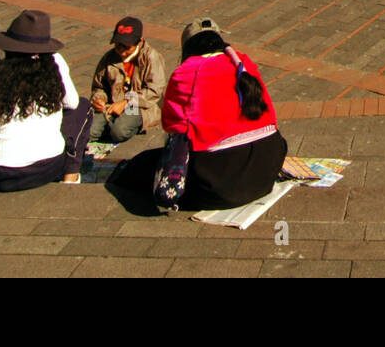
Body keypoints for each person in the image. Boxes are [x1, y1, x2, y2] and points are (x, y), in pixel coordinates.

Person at [116, 18, 286, 211]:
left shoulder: (186, 73)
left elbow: (173, 129)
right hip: (266, 168)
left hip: (219, 186)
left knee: (141, 166)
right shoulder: (243, 64)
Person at [0, 10, 92, 190]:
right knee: (83, 107)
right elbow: (72, 104)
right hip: (49, 168)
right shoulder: (54, 67)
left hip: (0, 176)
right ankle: (71, 174)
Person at [90, 16, 166, 144]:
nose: (121, 51)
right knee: (89, 131)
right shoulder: (109, 58)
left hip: (139, 105)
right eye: (118, 46)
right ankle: (113, 124)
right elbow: (99, 86)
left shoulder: (151, 57)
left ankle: (121, 125)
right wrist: (99, 99)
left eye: (126, 47)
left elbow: (154, 91)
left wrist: (126, 102)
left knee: (119, 131)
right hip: (112, 105)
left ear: (140, 41)